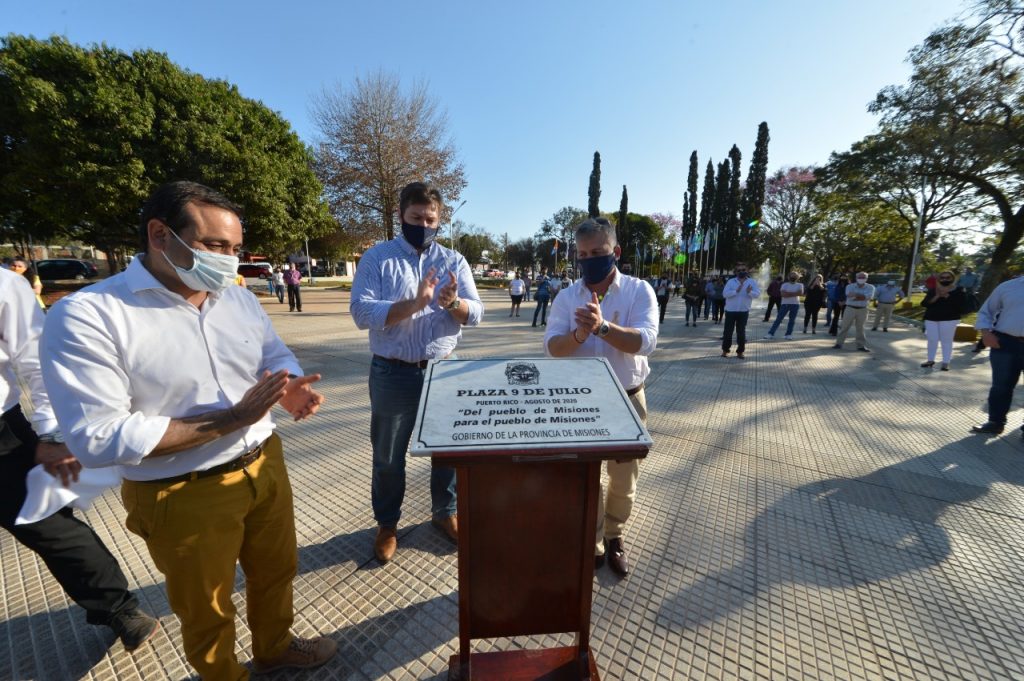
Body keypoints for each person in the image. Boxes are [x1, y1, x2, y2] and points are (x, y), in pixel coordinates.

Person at [39, 181, 336, 679]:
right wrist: (232, 418)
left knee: (276, 572)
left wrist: (287, 386)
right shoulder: (90, 315)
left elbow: (272, 353)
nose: (229, 261)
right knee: (207, 604)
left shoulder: (236, 299)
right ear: (160, 235)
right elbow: (98, 438)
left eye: (236, 249)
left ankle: (275, 646)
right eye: (216, 246)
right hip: (181, 491)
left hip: (265, 462)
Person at [1, 266, 159, 654]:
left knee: (48, 527)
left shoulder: (4, 285)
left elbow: (35, 360)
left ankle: (118, 608)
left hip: (2, 439)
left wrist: (53, 433)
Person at [350, 181, 483, 564]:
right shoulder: (378, 258)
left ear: (440, 220)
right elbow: (362, 312)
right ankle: (388, 524)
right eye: (416, 217)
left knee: (447, 451)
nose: (423, 224)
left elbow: (475, 313)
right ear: (401, 216)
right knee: (389, 455)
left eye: (431, 219)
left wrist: (453, 303)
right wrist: (416, 303)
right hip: (393, 373)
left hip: (443, 372)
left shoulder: (453, 261)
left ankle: (445, 512)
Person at [544, 217, 657, 576]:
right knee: (584, 478)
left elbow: (645, 342)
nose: (589, 259)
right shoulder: (566, 297)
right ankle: (591, 541)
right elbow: (552, 349)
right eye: (583, 253)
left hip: (627, 398)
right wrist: (580, 334)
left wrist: (602, 327)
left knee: (623, 479)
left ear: (616, 252)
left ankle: (614, 535)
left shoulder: (639, 291)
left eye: (598, 252)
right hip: (579, 403)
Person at [971, 274, 1024, 437]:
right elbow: (986, 311)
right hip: (1006, 343)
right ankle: (995, 422)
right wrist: (986, 333)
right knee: (1001, 385)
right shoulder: (1008, 287)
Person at [920, 271, 968, 371]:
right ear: (939, 279)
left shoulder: (959, 290)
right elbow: (924, 303)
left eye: (948, 278)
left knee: (946, 341)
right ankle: (930, 360)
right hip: (931, 318)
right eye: (942, 278)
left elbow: (961, 307)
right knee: (932, 340)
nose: (945, 279)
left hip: (949, 320)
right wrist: (937, 296)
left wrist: (947, 296)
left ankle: (945, 362)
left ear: (952, 279)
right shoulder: (934, 290)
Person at [721, 263, 761, 359]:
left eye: (743, 270)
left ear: (747, 271)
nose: (741, 272)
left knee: (741, 332)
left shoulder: (752, 282)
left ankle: (740, 352)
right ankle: (725, 350)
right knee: (728, 332)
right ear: (735, 272)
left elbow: (757, 294)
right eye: (739, 270)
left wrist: (749, 292)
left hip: (743, 311)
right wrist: (736, 291)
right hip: (730, 311)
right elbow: (724, 294)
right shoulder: (731, 282)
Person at [833, 272, 874, 352]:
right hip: (850, 308)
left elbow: (868, 297)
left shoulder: (870, 287)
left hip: (863, 309)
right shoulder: (849, 286)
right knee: (844, 326)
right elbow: (849, 295)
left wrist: (856, 295)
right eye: (860, 277)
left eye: (863, 277)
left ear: (866, 278)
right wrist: (862, 296)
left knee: (861, 328)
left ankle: (861, 346)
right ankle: (839, 343)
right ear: (856, 278)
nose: (861, 279)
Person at [764, 271, 803, 340]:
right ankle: (770, 333)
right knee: (778, 319)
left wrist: (788, 293)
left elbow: (800, 293)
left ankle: (788, 334)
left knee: (792, 320)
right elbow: (783, 295)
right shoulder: (784, 285)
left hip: (795, 304)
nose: (793, 277)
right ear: (789, 277)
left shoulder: (800, 285)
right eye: (792, 275)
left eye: (794, 276)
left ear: (797, 277)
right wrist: (795, 293)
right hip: (785, 304)